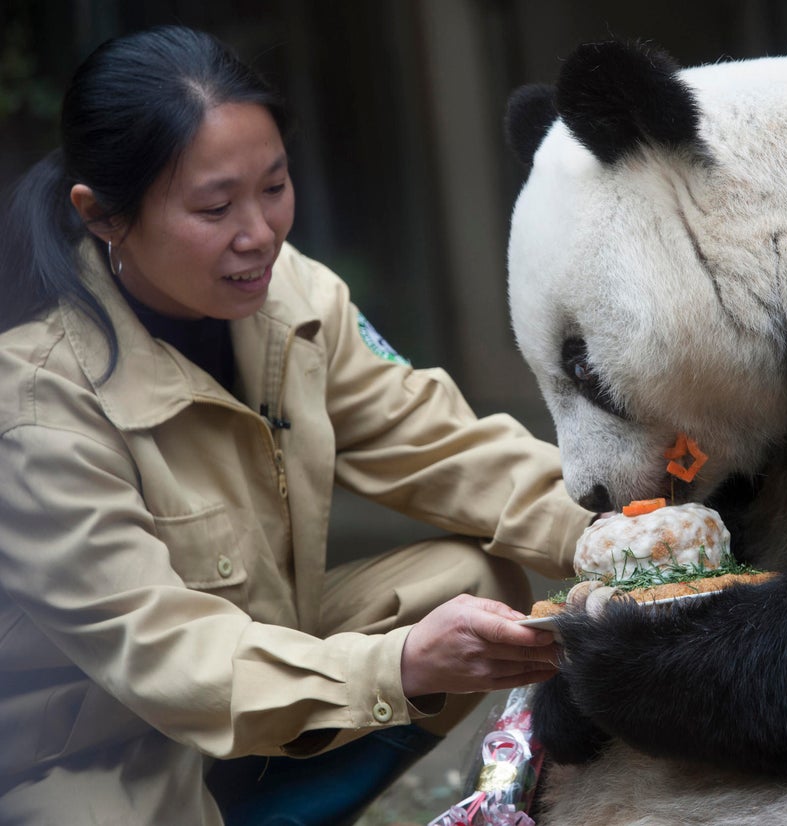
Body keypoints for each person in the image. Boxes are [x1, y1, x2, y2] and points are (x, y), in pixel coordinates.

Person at [0, 25, 591, 826]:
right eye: (215, 207)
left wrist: (619, 537)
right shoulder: (36, 402)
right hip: (95, 745)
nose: (260, 234)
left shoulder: (294, 297)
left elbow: (441, 445)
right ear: (103, 215)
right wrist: (399, 666)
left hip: (264, 663)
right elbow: (164, 653)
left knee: (469, 584)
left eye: (274, 186)